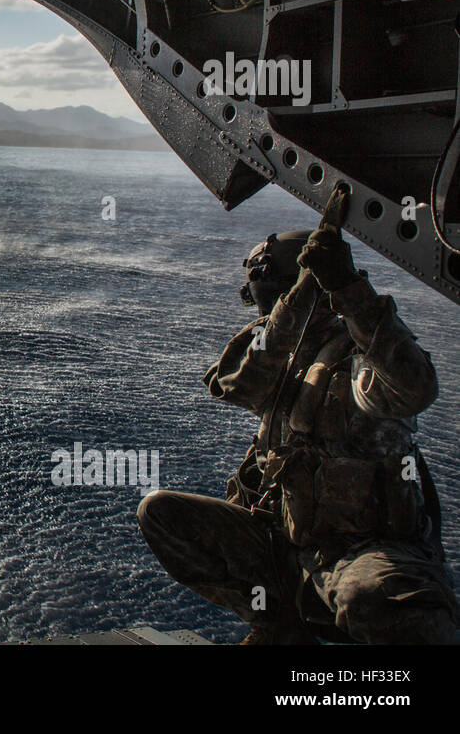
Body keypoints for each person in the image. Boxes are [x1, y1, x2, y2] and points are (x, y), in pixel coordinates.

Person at [138, 225, 459, 644]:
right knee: (162, 514)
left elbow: (415, 387)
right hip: (284, 541)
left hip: (361, 549)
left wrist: (348, 290)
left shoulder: (358, 354)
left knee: (378, 598)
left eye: (262, 293)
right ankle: (279, 621)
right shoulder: (281, 359)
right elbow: (237, 383)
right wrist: (300, 299)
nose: (259, 306)